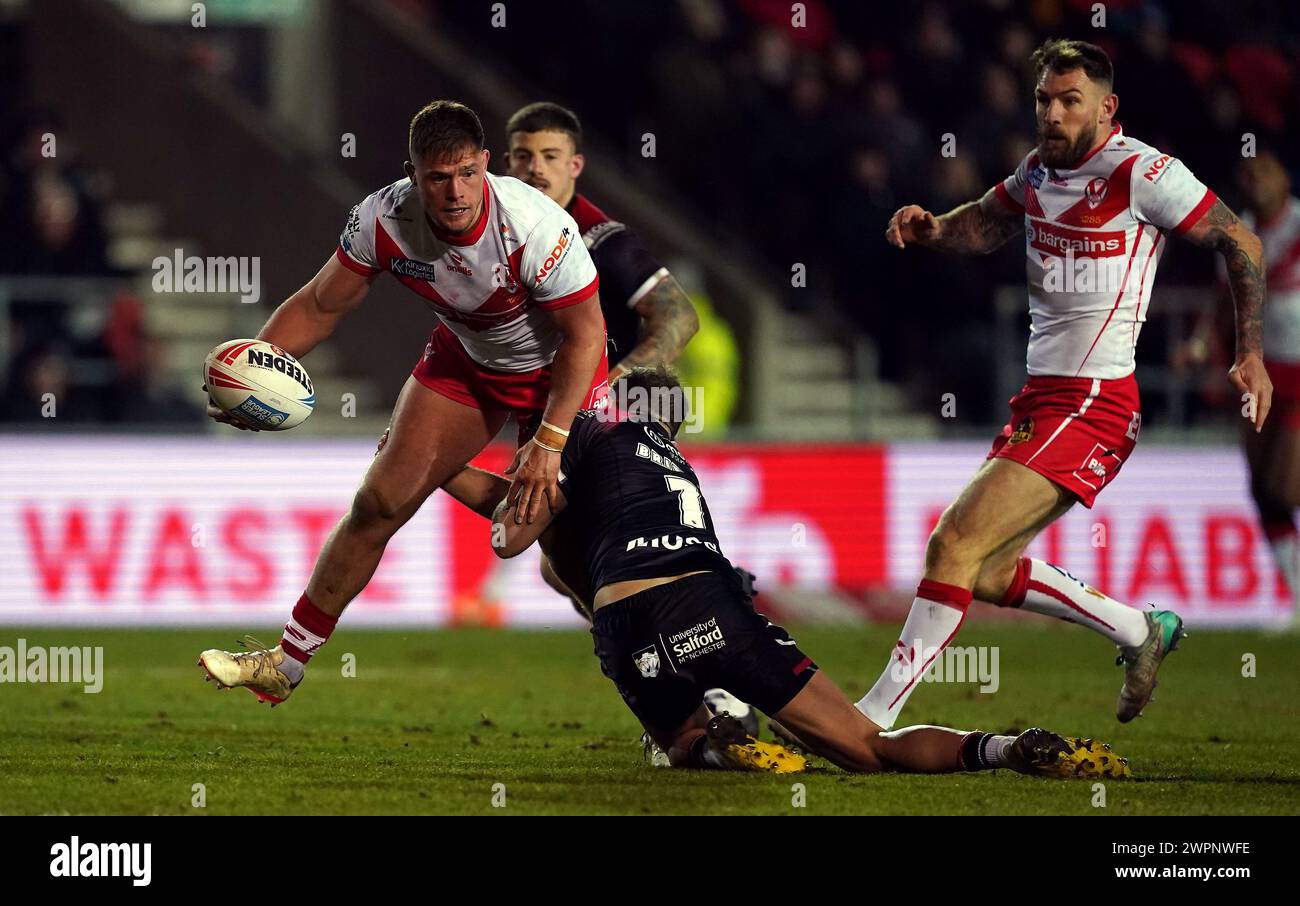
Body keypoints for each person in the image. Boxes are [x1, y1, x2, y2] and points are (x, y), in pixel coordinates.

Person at [863, 38, 1273, 730]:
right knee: (988, 571)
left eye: (1068, 101)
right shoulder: (1037, 173)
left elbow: (1242, 242)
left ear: (1106, 108)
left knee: (952, 542)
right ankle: (1138, 631)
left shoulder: (1142, 172)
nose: (1051, 114)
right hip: (1043, 399)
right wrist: (933, 229)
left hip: (1096, 402)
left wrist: (1249, 351)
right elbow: (987, 225)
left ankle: (871, 717)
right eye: (1043, 100)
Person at [477, 365, 1128, 777]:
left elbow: (515, 527)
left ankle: (715, 744)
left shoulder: (582, 439)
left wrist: (434, 472)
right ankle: (1005, 750)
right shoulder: (677, 465)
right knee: (867, 748)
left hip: (622, 623)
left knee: (678, 745)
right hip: (707, 601)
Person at [197, 100, 610, 703]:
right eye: (438, 178)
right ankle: (284, 664)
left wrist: (548, 443)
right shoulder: (384, 218)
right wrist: (254, 371)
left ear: (486, 164)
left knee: (534, 540)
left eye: (467, 172)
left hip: (558, 374)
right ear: (414, 175)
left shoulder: (535, 227)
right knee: (380, 501)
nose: (455, 192)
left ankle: (683, 672)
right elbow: (321, 305)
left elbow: (586, 336)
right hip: (467, 362)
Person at [1191, 151, 1299, 617]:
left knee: (1285, 486)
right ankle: (1297, 600)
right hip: (1262, 372)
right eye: (1248, 174)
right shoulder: (1237, 234)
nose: (1255, 180)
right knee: (1261, 489)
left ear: (1283, 176)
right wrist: (1199, 341)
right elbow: (1223, 300)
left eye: (1264, 171)